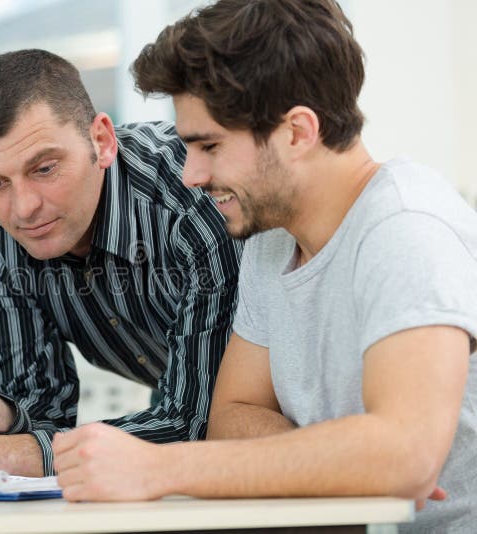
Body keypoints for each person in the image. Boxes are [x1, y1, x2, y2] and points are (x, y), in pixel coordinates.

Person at [51, 0, 477, 530]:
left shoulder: (406, 228)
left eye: (209, 145)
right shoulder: (272, 240)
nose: (192, 175)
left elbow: (406, 458)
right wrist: (352, 462)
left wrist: (161, 467)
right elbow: (231, 417)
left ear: (298, 132)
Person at [0, 49, 242, 476]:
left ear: (102, 141)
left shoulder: (191, 200)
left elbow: (199, 422)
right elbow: (43, 411)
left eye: (44, 169)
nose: (22, 209)